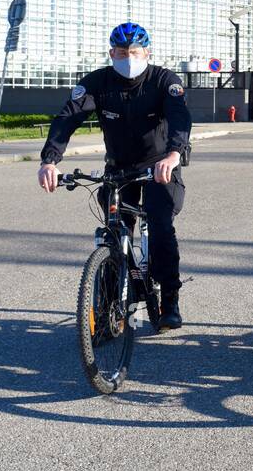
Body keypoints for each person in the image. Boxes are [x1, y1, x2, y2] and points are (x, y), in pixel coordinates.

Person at [38, 22, 192, 329]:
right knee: (113, 232)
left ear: (147, 52)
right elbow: (68, 117)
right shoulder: (98, 83)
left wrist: (174, 155)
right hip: (118, 169)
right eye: (122, 52)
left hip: (159, 168)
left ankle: (169, 300)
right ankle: (110, 305)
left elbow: (179, 118)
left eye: (135, 51)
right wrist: (49, 161)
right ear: (112, 52)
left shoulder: (164, 80)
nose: (129, 57)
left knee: (161, 226)